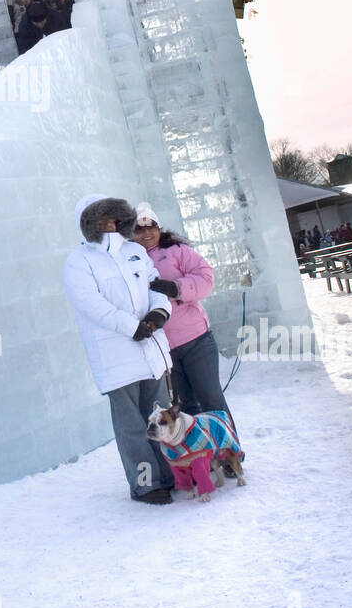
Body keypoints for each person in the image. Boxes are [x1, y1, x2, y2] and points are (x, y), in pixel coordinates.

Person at [63, 195, 175, 505]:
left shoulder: (135, 251)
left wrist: (158, 314)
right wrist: (131, 326)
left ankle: (171, 474)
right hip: (116, 356)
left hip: (151, 350)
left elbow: (156, 288)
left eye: (115, 218)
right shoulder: (79, 261)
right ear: (89, 223)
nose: (110, 225)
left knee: (161, 419)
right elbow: (90, 303)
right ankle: (145, 484)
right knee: (132, 428)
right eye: (102, 220)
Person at [133, 204, 234, 423]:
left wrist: (176, 288)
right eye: (139, 229)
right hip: (164, 348)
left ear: (159, 228)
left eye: (151, 226)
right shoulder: (129, 261)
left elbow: (206, 278)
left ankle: (229, 453)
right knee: (185, 408)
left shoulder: (176, 251)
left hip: (196, 340)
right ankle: (202, 456)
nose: (146, 233)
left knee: (212, 401)